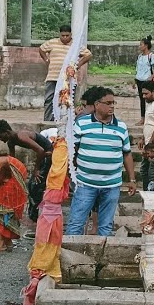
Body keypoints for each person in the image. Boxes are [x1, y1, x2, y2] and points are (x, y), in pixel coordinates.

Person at [66, 86, 136, 236]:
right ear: (97, 104)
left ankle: (101, 258)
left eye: (113, 103)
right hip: (86, 183)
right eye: (108, 103)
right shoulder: (81, 124)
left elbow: (127, 154)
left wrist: (132, 179)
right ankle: (71, 257)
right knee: (76, 223)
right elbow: (73, 149)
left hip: (111, 185)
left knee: (105, 227)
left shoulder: (121, 127)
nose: (111, 106)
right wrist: (71, 170)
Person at [0, 120, 52, 222]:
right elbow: (12, 160)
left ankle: (37, 218)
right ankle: (34, 217)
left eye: (0, 135)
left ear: (6, 131)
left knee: (36, 185)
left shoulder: (21, 136)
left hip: (48, 153)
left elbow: (41, 150)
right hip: (42, 155)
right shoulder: (11, 142)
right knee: (31, 187)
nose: (0, 138)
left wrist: (36, 170)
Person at [39, 25, 91, 122]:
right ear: (60, 34)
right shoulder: (52, 42)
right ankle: (48, 121)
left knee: (66, 100)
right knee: (49, 100)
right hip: (53, 76)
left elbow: (88, 55)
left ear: (71, 34)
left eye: (67, 35)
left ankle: (66, 121)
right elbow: (41, 49)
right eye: (63, 35)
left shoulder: (76, 45)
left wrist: (78, 65)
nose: (65, 38)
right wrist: (46, 59)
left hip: (68, 79)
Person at [133, 36, 154, 124]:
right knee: (142, 99)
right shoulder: (140, 56)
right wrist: (135, 80)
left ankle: (151, 117)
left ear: (146, 45)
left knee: (149, 99)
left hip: (147, 80)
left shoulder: (151, 56)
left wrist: (152, 76)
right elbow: (137, 69)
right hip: (139, 79)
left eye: (141, 45)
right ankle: (143, 118)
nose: (140, 47)